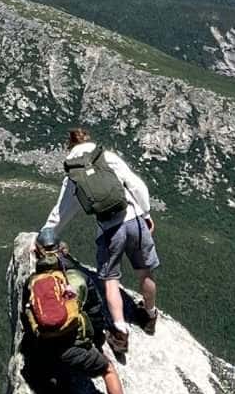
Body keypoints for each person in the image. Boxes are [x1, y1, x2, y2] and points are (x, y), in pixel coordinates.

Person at [38, 125, 159, 352]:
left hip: (109, 229)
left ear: (70, 147)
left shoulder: (73, 173)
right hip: (133, 219)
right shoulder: (106, 157)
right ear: (88, 141)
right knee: (145, 271)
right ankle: (150, 316)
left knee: (111, 280)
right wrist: (146, 213)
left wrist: (46, 234)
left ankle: (120, 334)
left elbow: (62, 211)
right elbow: (135, 184)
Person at [19, 241, 145, 394]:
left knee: (48, 362)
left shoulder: (32, 283)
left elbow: (27, 319)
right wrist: (97, 341)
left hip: (42, 350)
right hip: (72, 348)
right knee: (108, 370)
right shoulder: (77, 280)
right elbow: (95, 314)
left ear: (37, 254)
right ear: (62, 255)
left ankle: (49, 378)